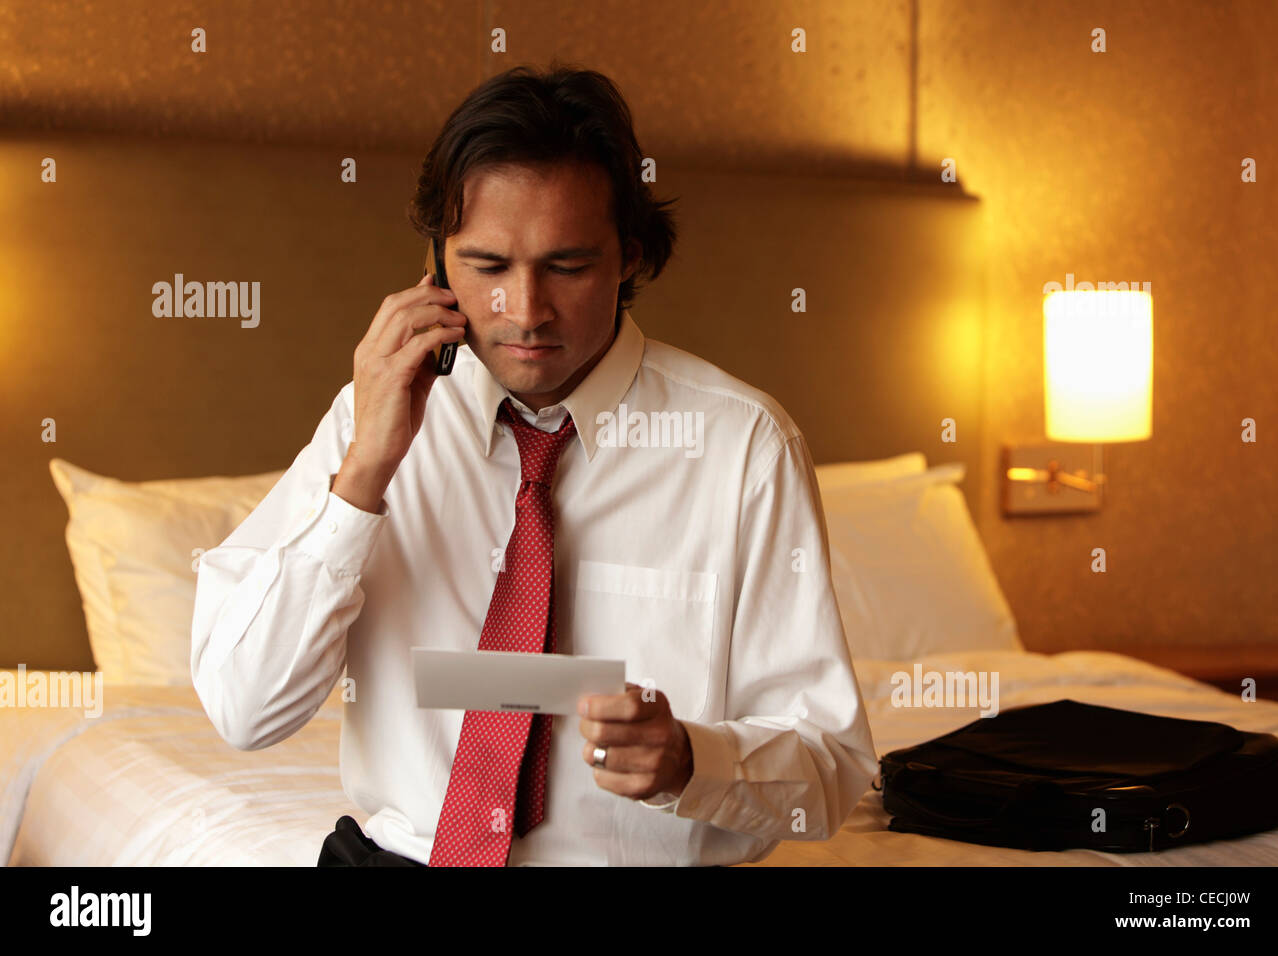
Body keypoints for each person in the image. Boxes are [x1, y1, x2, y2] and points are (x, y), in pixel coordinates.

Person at [192, 61, 876, 867]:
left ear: (628, 257)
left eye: (567, 265)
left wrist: (694, 761)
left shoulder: (744, 447)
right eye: (486, 267)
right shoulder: (370, 420)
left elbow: (831, 770)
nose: (525, 312)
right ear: (438, 265)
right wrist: (365, 475)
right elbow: (246, 710)